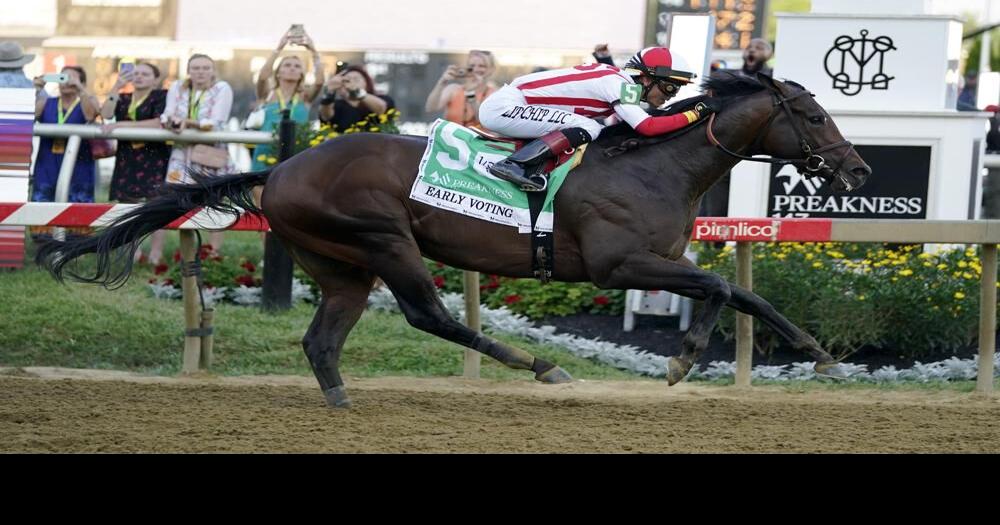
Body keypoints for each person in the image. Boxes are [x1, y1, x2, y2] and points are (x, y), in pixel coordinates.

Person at [478, 46, 720, 190]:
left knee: (590, 126)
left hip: (512, 104)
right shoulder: (620, 84)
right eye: (669, 88)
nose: (671, 95)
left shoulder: (620, 81)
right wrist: (695, 113)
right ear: (646, 79)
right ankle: (514, 165)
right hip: (506, 106)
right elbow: (646, 126)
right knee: (588, 126)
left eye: (677, 90)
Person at [160, 53, 234, 250]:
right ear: (188, 71)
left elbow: (216, 122)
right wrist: (171, 122)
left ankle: (214, 253)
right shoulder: (177, 87)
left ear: (213, 71)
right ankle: (187, 253)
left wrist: (186, 122)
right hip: (181, 152)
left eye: (205, 68)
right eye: (196, 68)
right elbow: (167, 113)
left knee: (215, 200)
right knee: (182, 201)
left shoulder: (222, 88)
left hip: (210, 150)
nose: (201, 72)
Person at [100, 61, 171, 264]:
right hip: (127, 157)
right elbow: (105, 114)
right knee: (127, 205)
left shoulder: (161, 96)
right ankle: (133, 251)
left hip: (154, 157)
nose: (139, 77)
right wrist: (117, 85)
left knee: (156, 205)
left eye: (145, 74)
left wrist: (120, 124)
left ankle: (156, 253)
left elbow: (159, 122)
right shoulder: (123, 97)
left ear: (155, 79)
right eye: (136, 73)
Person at [250, 27, 324, 171]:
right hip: (266, 151)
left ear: (301, 74)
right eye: (287, 65)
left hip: (297, 152)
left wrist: (313, 51)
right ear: (278, 72)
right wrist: (279, 48)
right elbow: (263, 77)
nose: (292, 68)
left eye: (297, 66)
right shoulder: (268, 94)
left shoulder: (305, 97)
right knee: (262, 190)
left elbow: (320, 82)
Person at [32, 66, 100, 205]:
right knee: (43, 203)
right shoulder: (47, 101)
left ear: (82, 82)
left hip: (79, 161)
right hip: (48, 161)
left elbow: (90, 115)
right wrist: (38, 88)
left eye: (72, 78)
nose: (67, 82)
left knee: (78, 203)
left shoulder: (87, 100)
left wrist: (80, 88)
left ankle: (75, 228)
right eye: (62, 78)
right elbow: (32, 115)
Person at [424, 50, 497, 129]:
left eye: (482, 66)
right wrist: (442, 82)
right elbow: (430, 108)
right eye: (472, 66)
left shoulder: (495, 94)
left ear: (491, 69)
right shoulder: (453, 89)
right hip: (450, 139)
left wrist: (470, 94)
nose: (475, 69)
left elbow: (483, 121)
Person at [318, 65, 394, 132]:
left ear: (366, 83)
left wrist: (357, 91)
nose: (351, 83)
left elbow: (381, 108)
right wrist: (329, 92)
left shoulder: (383, 98)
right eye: (346, 80)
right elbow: (326, 115)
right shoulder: (337, 105)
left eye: (356, 79)